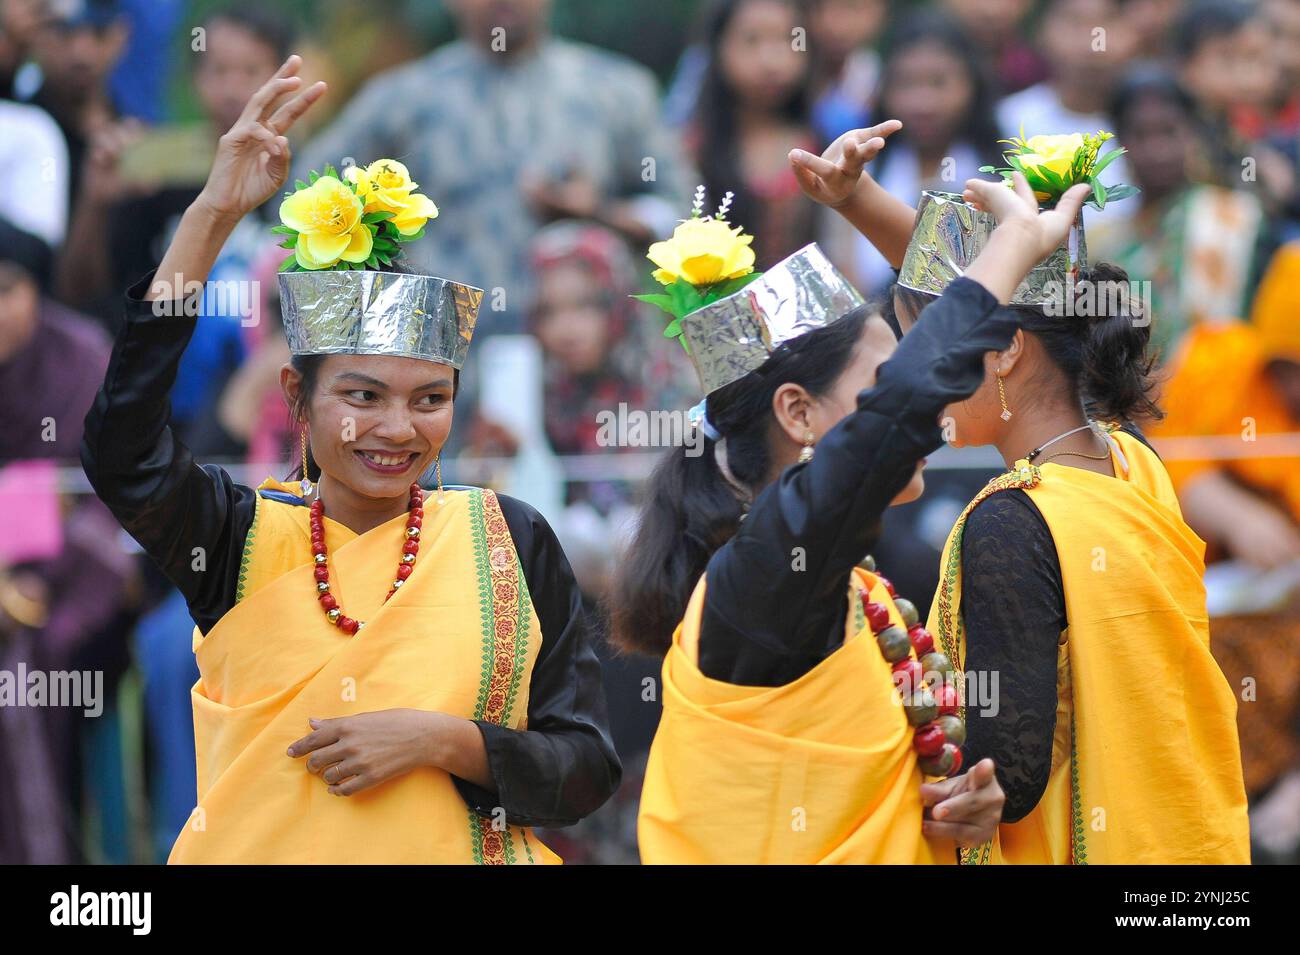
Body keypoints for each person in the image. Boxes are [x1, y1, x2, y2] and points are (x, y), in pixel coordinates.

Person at [81, 55, 620, 864]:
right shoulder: (237, 538)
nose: (397, 429)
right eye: (363, 397)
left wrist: (441, 740)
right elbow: (122, 448)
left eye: (430, 399)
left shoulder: (508, 537)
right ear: (298, 400)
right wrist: (212, 216)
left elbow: (583, 769)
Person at [614, 150, 1104, 861]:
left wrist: (946, 801)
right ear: (798, 413)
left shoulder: (841, 580)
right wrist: (1009, 249)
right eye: (878, 384)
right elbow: (901, 410)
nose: (929, 415)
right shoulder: (762, 573)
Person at [799, 118, 1251, 863]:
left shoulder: (1012, 521)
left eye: (933, 348)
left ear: (1008, 349)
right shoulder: (1133, 463)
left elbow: (1009, 772)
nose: (920, 371)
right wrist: (859, 200)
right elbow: (985, 300)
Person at [293, 0, 690, 338]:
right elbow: (305, 197)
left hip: (586, 366)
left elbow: (686, 210)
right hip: (442, 364)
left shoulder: (616, 91)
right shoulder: (404, 98)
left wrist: (600, 214)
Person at [1087, 67, 1270, 359]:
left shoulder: (1236, 219)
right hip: (1132, 399)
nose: (1156, 149)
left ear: (1192, 134)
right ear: (1119, 143)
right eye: (1141, 134)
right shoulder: (1105, 244)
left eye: (1169, 131)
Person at [841, 11, 1001, 295]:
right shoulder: (857, 170)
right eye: (907, 83)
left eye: (938, 82)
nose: (923, 103)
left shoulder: (1003, 170)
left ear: (972, 84)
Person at [685, 0, 821, 270]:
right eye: (751, 40)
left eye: (788, 39)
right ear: (718, 47)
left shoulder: (824, 149)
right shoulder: (691, 150)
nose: (771, 60)